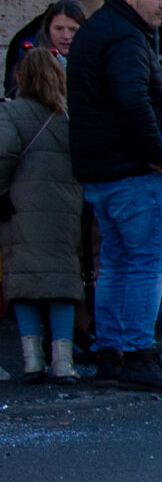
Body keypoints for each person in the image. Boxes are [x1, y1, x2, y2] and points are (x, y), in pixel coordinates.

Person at [66, 0, 162, 396]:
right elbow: (132, 99)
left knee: (117, 265)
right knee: (148, 264)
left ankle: (112, 357)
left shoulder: (102, 29)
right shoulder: (123, 36)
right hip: (132, 170)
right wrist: (160, 154)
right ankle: (138, 355)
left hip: (102, 170)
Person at [0, 36, 83, 383]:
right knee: (62, 281)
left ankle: (32, 359)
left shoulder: (10, 111)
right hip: (66, 210)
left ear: (21, 77)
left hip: (21, 206)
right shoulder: (69, 117)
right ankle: (63, 362)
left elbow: (3, 154)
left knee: (24, 279)